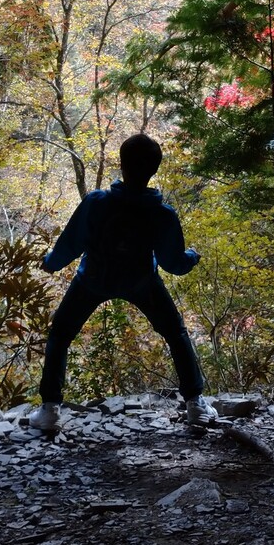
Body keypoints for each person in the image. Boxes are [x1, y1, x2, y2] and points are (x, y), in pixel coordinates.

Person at [28, 133, 215, 431]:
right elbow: (173, 263)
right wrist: (192, 256)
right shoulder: (161, 214)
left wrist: (50, 263)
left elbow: (71, 243)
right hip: (141, 282)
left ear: (122, 164)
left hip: (92, 280)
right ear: (154, 170)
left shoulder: (96, 203)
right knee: (175, 333)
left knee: (61, 334)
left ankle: (50, 409)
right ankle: (195, 404)